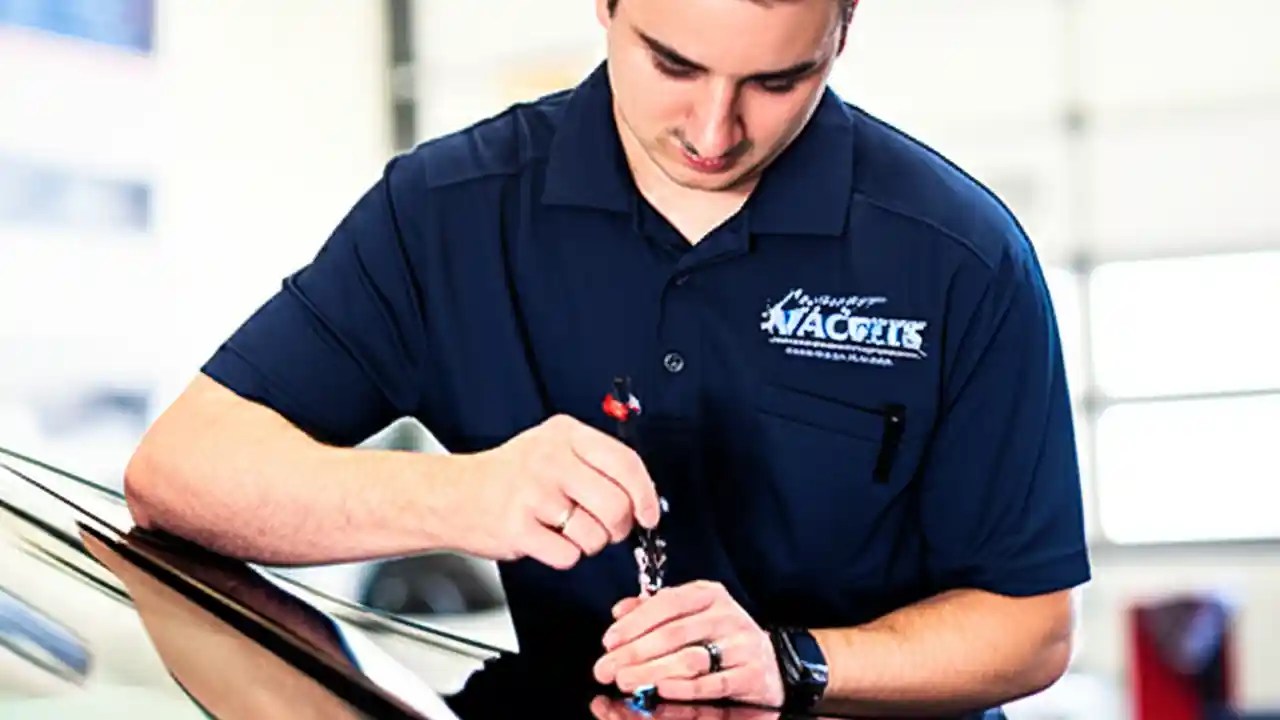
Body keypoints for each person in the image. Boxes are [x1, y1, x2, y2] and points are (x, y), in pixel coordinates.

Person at [124, 0, 1091, 715]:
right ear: (607, 7)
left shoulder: (958, 257)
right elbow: (177, 476)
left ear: (843, 30)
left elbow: (1031, 627)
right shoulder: (450, 215)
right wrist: (458, 498)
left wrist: (794, 663)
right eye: (673, 64)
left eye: (776, 81)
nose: (715, 133)